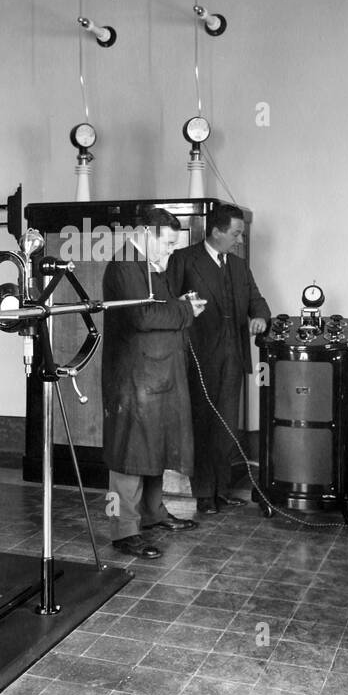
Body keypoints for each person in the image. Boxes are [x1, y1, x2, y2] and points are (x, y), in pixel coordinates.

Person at [102, 207, 206, 559]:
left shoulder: (148, 264)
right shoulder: (125, 265)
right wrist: (186, 311)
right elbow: (142, 316)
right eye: (167, 243)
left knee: (154, 446)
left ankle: (152, 514)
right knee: (129, 453)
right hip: (134, 376)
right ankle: (123, 530)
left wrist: (180, 305)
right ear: (147, 233)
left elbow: (160, 308)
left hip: (158, 374)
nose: (170, 251)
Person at [166, 203, 271, 516]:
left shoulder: (239, 266)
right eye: (236, 233)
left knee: (226, 426)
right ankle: (203, 495)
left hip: (234, 354)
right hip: (198, 356)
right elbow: (168, 304)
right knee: (202, 425)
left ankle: (221, 491)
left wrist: (261, 319)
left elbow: (258, 300)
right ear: (216, 231)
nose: (239, 239)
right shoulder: (183, 260)